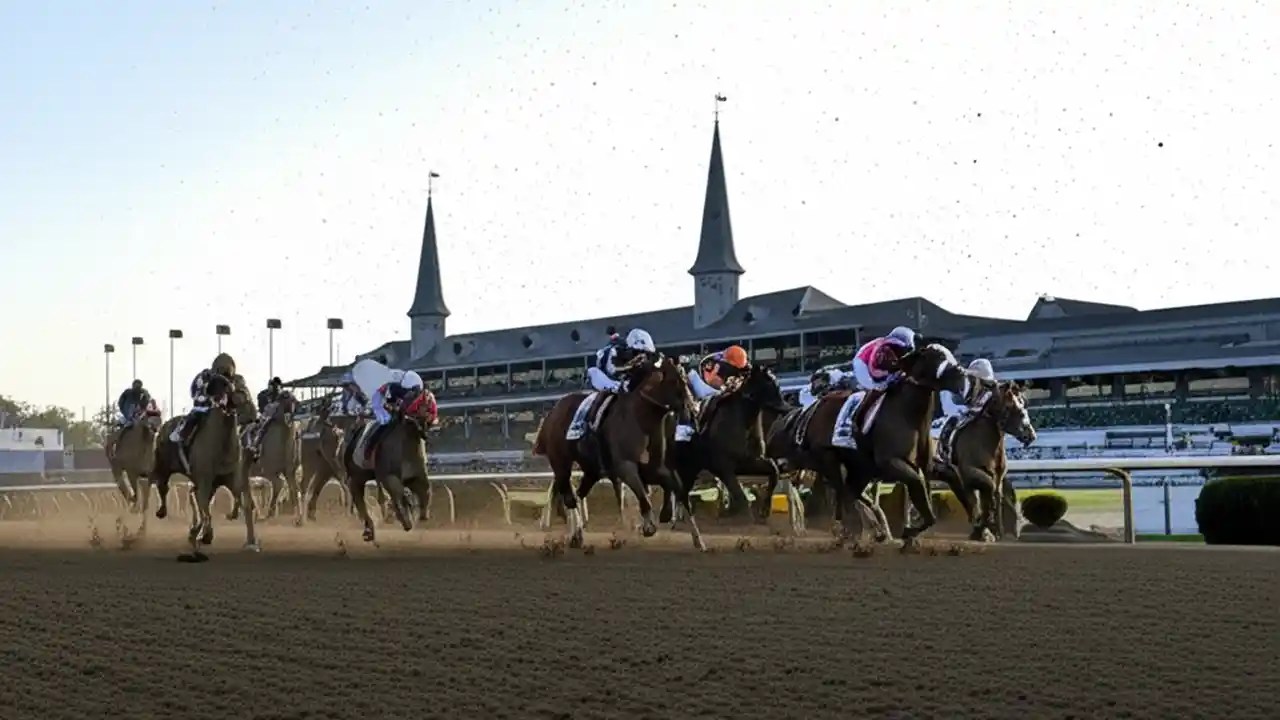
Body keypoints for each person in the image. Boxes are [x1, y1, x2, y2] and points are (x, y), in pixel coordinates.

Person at [833, 326, 918, 445]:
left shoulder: (897, 351)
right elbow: (875, 373)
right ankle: (843, 428)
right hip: (863, 365)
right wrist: (891, 376)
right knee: (866, 393)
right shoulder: (883, 349)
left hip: (878, 369)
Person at [569, 328, 657, 439]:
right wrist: (630, 367)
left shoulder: (634, 356)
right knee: (609, 388)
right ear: (631, 348)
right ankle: (579, 425)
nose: (642, 357)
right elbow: (612, 370)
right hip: (600, 375)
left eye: (646, 354)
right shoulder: (615, 351)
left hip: (616, 378)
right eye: (639, 352)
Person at [169, 353, 240, 445]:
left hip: (228, 411)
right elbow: (196, 391)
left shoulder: (236, 380)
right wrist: (210, 401)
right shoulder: (205, 376)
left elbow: (242, 394)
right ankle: (182, 434)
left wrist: (235, 399)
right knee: (194, 416)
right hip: (205, 407)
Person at [935, 358, 996, 462]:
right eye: (983, 382)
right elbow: (953, 407)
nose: (985, 387)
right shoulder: (958, 389)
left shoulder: (989, 394)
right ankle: (945, 453)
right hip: (949, 420)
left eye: (987, 384)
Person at [364, 370, 426, 460]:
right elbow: (390, 403)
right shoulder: (394, 388)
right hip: (382, 401)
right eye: (412, 392)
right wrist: (394, 408)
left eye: (415, 393)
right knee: (386, 423)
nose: (413, 395)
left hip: (396, 402)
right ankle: (370, 447)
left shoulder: (412, 387)